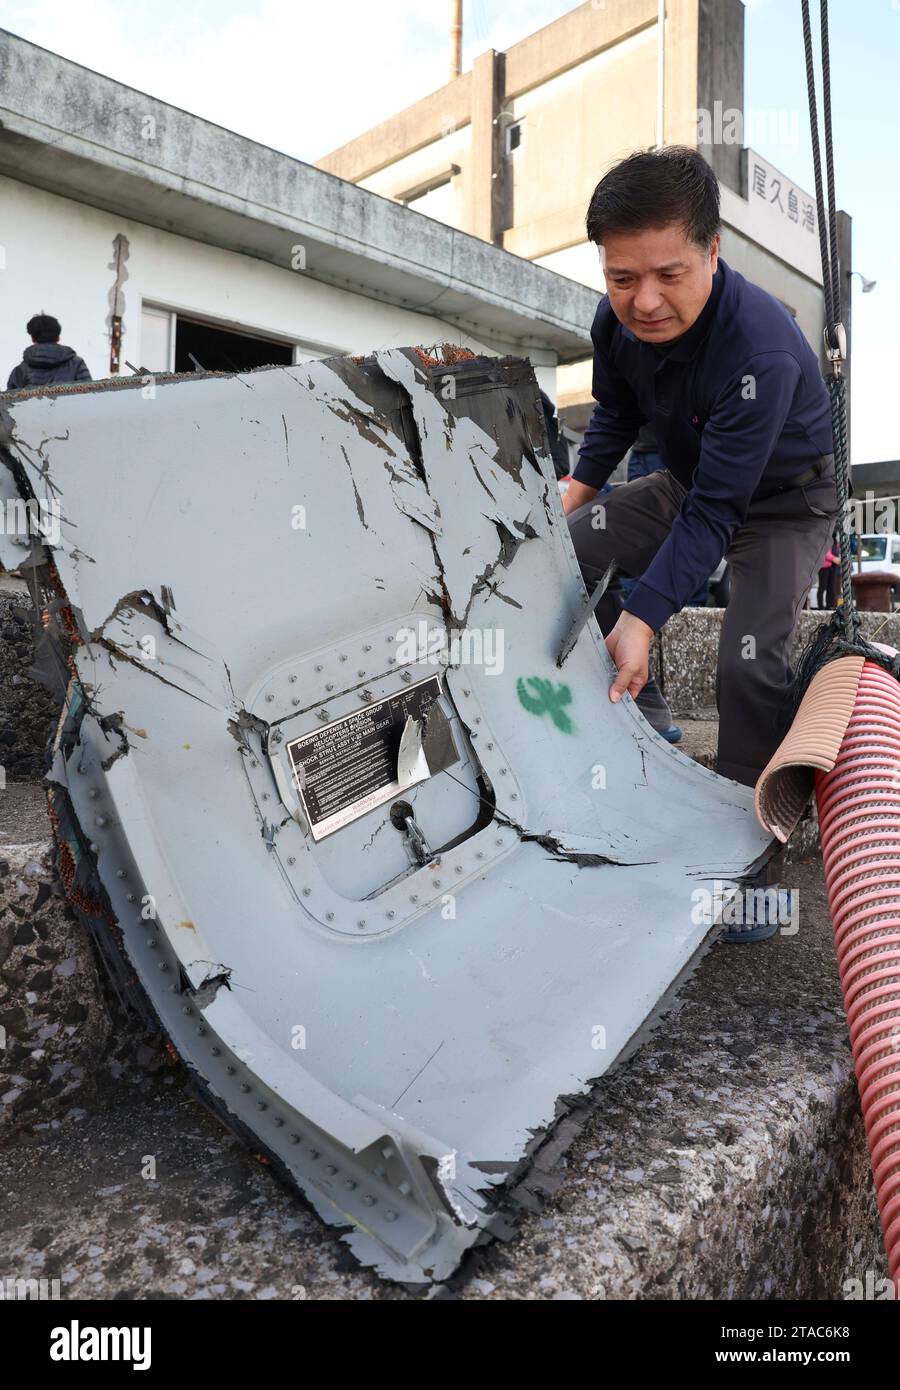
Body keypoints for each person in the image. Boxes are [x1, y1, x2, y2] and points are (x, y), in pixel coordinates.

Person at [563, 147, 838, 937]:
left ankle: (758, 868)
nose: (644, 301)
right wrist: (574, 497)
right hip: (694, 477)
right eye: (622, 278)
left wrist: (643, 621)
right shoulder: (613, 325)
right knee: (575, 549)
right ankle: (644, 713)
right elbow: (614, 414)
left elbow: (718, 518)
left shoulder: (761, 347)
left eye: (669, 274)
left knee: (749, 659)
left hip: (781, 503)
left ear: (713, 251)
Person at [6, 314, 92, 390]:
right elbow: (89, 396)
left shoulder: (19, 371)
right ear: (58, 337)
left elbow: (10, 404)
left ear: (33, 338)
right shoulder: (77, 365)